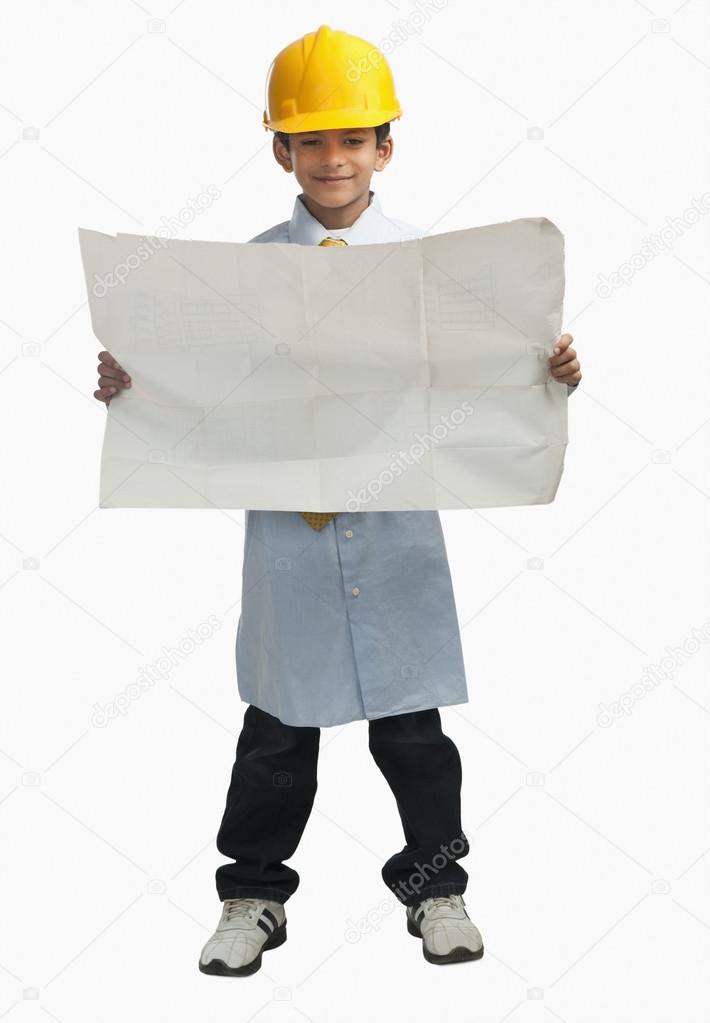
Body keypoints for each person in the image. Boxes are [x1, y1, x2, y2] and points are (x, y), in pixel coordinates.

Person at [93, 24, 582, 977]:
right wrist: (135, 384)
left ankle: (438, 889)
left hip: (397, 539)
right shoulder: (243, 270)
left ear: (384, 149)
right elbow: (210, 388)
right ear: (281, 149)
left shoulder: (439, 267)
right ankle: (252, 897)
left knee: (413, 731)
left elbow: (478, 384)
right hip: (292, 547)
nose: (332, 157)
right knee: (278, 731)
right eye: (311, 139)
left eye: (352, 138)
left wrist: (549, 371)